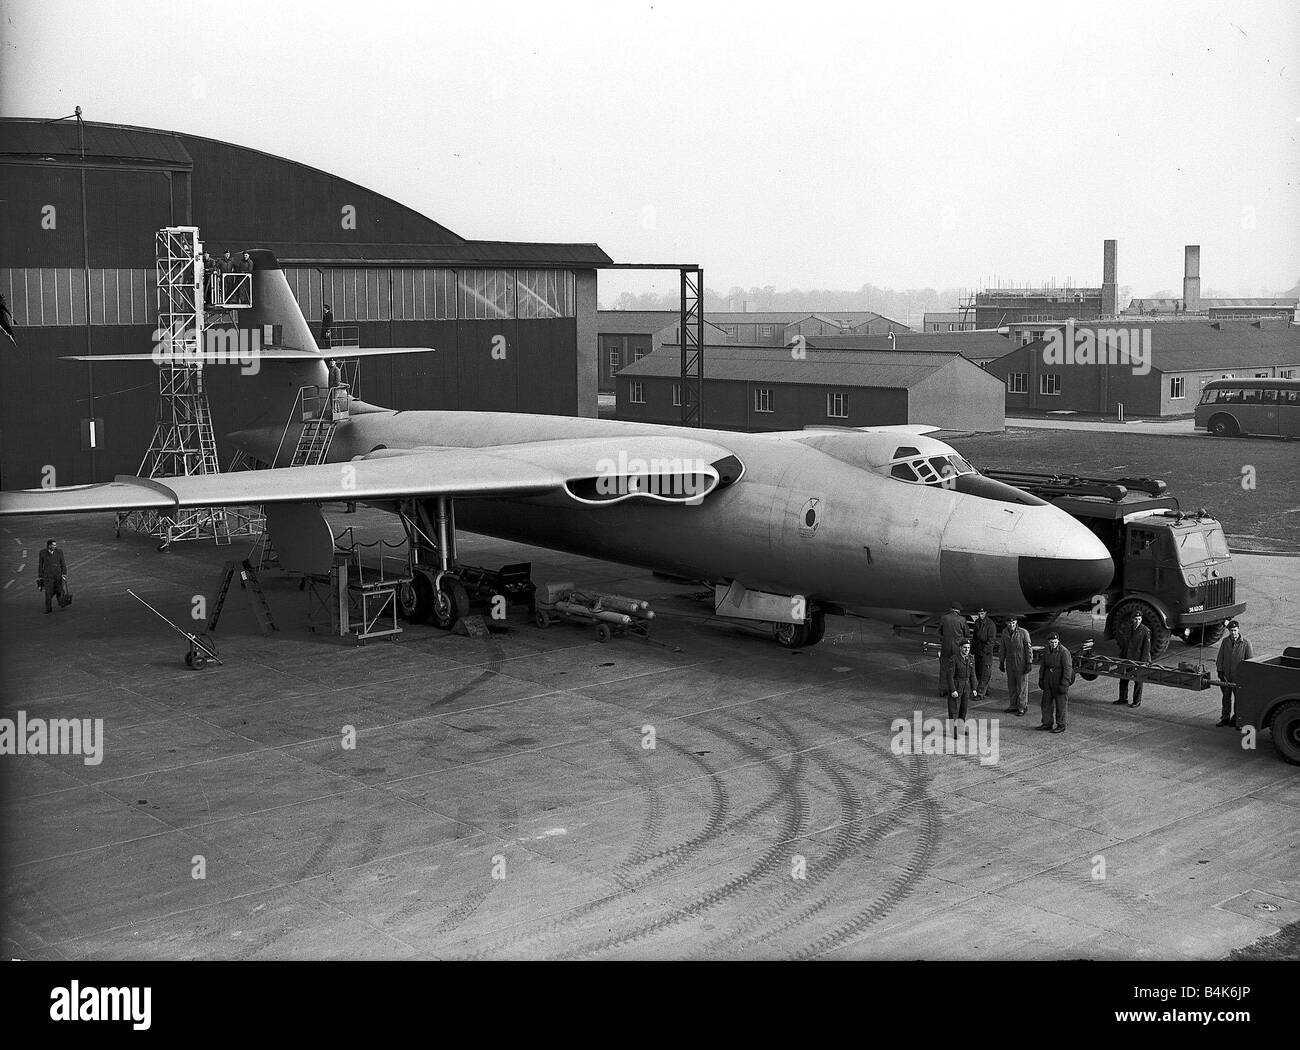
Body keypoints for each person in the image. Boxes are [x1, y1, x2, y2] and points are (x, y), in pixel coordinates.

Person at [1214, 620, 1253, 728]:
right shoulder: (1225, 642)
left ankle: (1236, 719)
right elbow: (1220, 657)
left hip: (1238, 678)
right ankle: (1225, 718)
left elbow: (1250, 663)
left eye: (1235, 630)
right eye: (1231, 631)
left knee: (1239, 699)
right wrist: (1220, 671)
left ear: (1238, 629)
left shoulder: (1246, 643)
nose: (1233, 633)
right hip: (1226, 676)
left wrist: (1245, 677)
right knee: (1226, 698)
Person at [1112, 609, 1152, 708]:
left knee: (1138, 681)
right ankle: (1123, 699)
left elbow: (1146, 649)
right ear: (1132, 619)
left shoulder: (1145, 631)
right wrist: (1121, 658)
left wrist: (1143, 663)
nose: (1137, 621)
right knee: (1123, 679)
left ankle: (1137, 701)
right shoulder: (1128, 628)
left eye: (1139, 619)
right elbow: (1124, 644)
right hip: (1127, 659)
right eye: (1136, 619)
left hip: (1138, 660)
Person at [1037, 631, 1073, 734]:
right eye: (1052, 642)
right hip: (1049, 677)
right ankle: (1047, 723)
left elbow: (1067, 669)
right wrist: (1041, 678)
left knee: (1060, 704)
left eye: (1055, 642)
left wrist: (1064, 684)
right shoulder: (1047, 650)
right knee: (1046, 702)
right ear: (1049, 642)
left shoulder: (1064, 652)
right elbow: (1043, 665)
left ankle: (1061, 725)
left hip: (1059, 678)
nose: (1054, 644)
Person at [999, 614, 1033, 716]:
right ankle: (1013, 706)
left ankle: (1022, 707)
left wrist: (1029, 662)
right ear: (1006, 623)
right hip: (1010, 663)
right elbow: (1003, 648)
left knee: (1022, 686)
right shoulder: (1005, 632)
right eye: (1009, 623)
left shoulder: (1023, 633)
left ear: (1016, 622)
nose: (1011, 625)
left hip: (1021, 662)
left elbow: (1028, 648)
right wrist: (1001, 661)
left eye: (1013, 623)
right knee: (1011, 685)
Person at [937, 601, 970, 698]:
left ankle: (942, 690)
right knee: (956, 669)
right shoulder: (962, 619)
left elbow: (939, 631)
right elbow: (967, 633)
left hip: (946, 646)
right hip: (957, 647)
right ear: (958, 610)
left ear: (951, 609)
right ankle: (954, 689)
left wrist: (944, 639)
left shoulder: (944, 618)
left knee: (944, 667)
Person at [947, 639, 978, 729]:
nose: (967, 650)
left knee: (963, 709)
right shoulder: (954, 659)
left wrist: (974, 688)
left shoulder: (970, 658)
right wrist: (953, 689)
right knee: (954, 709)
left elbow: (972, 674)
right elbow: (949, 676)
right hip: (957, 684)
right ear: (960, 648)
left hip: (966, 686)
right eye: (964, 648)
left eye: (968, 648)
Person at [972, 606, 998, 699]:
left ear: (986, 613)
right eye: (979, 614)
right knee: (978, 672)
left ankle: (980, 694)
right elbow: (975, 637)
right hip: (978, 651)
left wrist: (985, 650)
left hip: (986, 653)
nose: (980, 615)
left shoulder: (991, 625)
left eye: (982, 613)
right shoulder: (977, 623)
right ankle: (986, 689)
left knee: (985, 673)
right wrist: (972, 649)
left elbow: (991, 640)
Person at [37, 539, 67, 614]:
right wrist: (40, 576)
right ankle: (48, 608)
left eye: (55, 545)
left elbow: (63, 563)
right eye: (53, 545)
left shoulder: (59, 551)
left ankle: (61, 602)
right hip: (47, 577)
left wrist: (64, 573)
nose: (55, 546)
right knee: (48, 593)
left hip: (58, 575)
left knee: (59, 590)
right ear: (49, 545)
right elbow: (40, 565)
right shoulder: (42, 552)